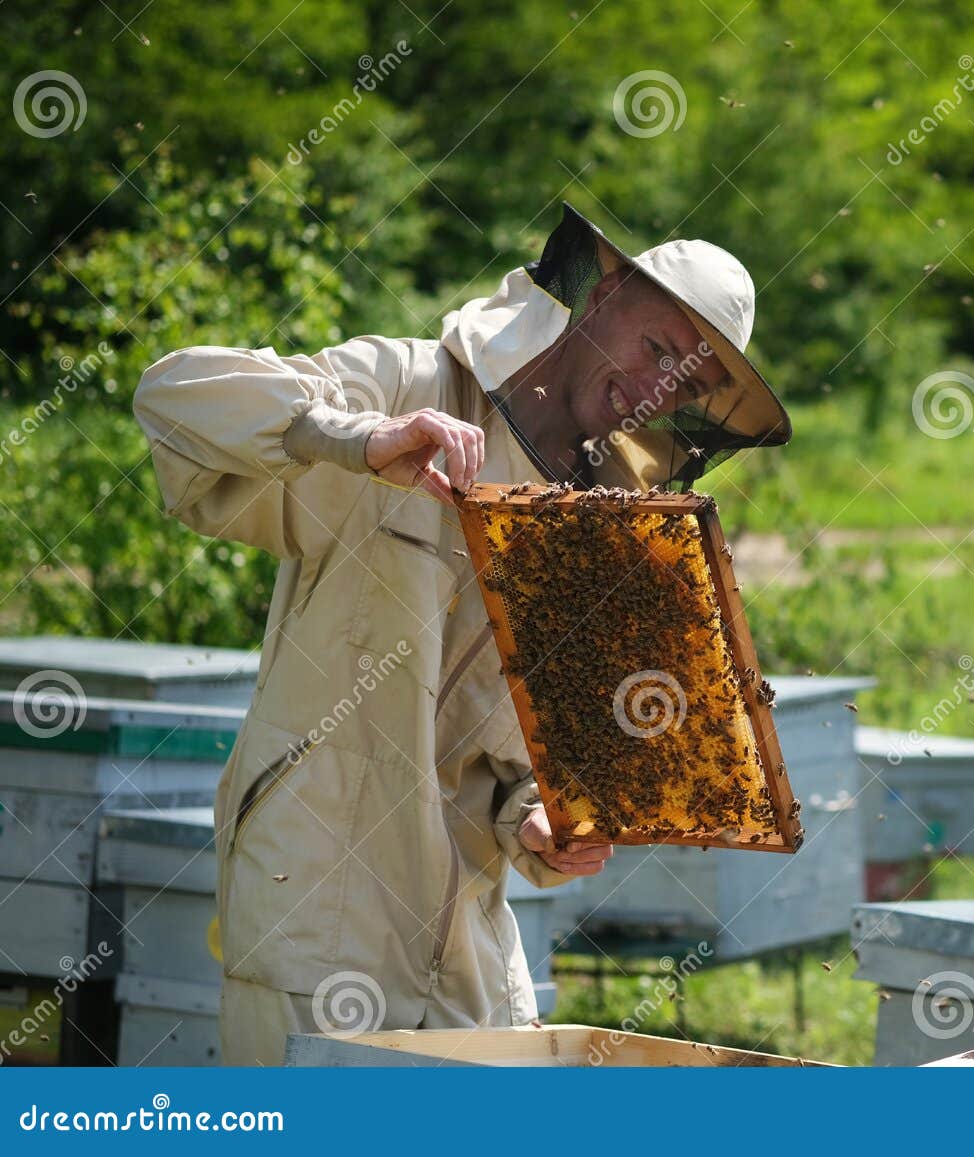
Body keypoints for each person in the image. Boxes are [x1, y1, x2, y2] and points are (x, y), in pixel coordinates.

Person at [133, 203, 791, 1065]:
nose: (659, 391)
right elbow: (173, 393)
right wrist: (356, 439)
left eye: (689, 385)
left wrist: (542, 825)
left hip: (466, 940)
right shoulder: (408, 386)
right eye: (659, 350)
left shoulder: (605, 525)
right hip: (315, 909)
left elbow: (519, 766)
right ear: (603, 297)